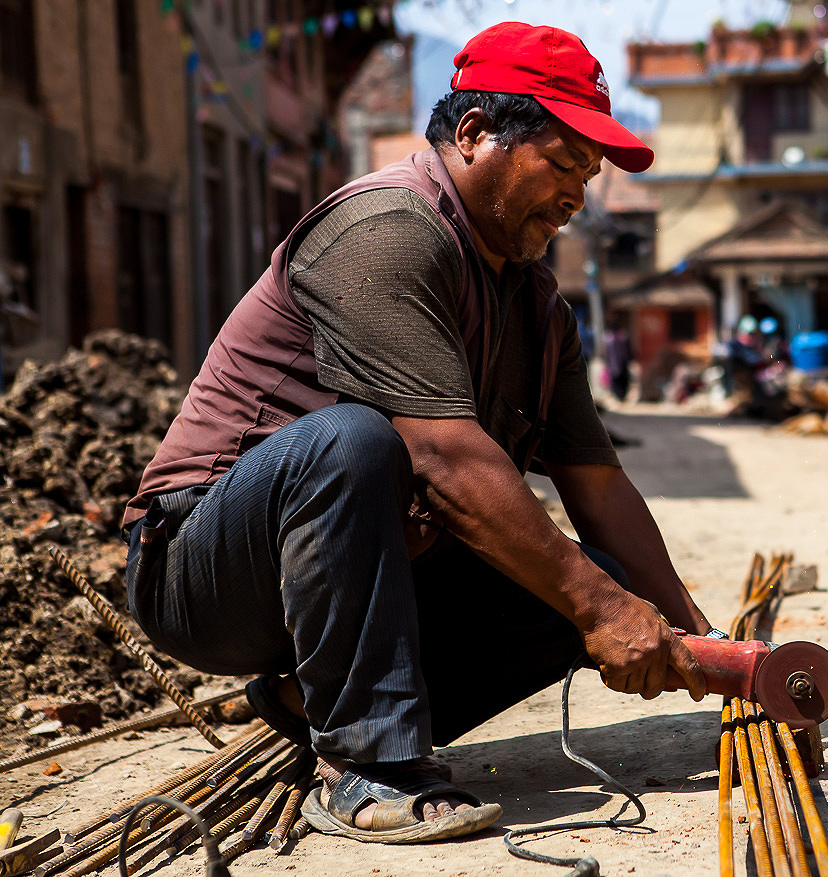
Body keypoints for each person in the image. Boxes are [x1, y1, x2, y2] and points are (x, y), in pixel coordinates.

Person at [121, 23, 715, 846]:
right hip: (206, 569)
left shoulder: (540, 311)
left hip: (357, 573)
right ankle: (369, 765)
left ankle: (307, 701)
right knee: (354, 441)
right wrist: (604, 608)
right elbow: (442, 457)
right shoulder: (386, 229)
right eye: (563, 163)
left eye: (589, 175)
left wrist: (700, 646)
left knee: (593, 580)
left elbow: (599, 487)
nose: (577, 197)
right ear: (473, 134)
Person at [603, 317, 633, 401]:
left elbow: (606, 352)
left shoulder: (610, 338)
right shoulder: (621, 337)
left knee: (619, 379)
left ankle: (620, 396)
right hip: (620, 362)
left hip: (617, 363)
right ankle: (620, 396)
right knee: (619, 380)